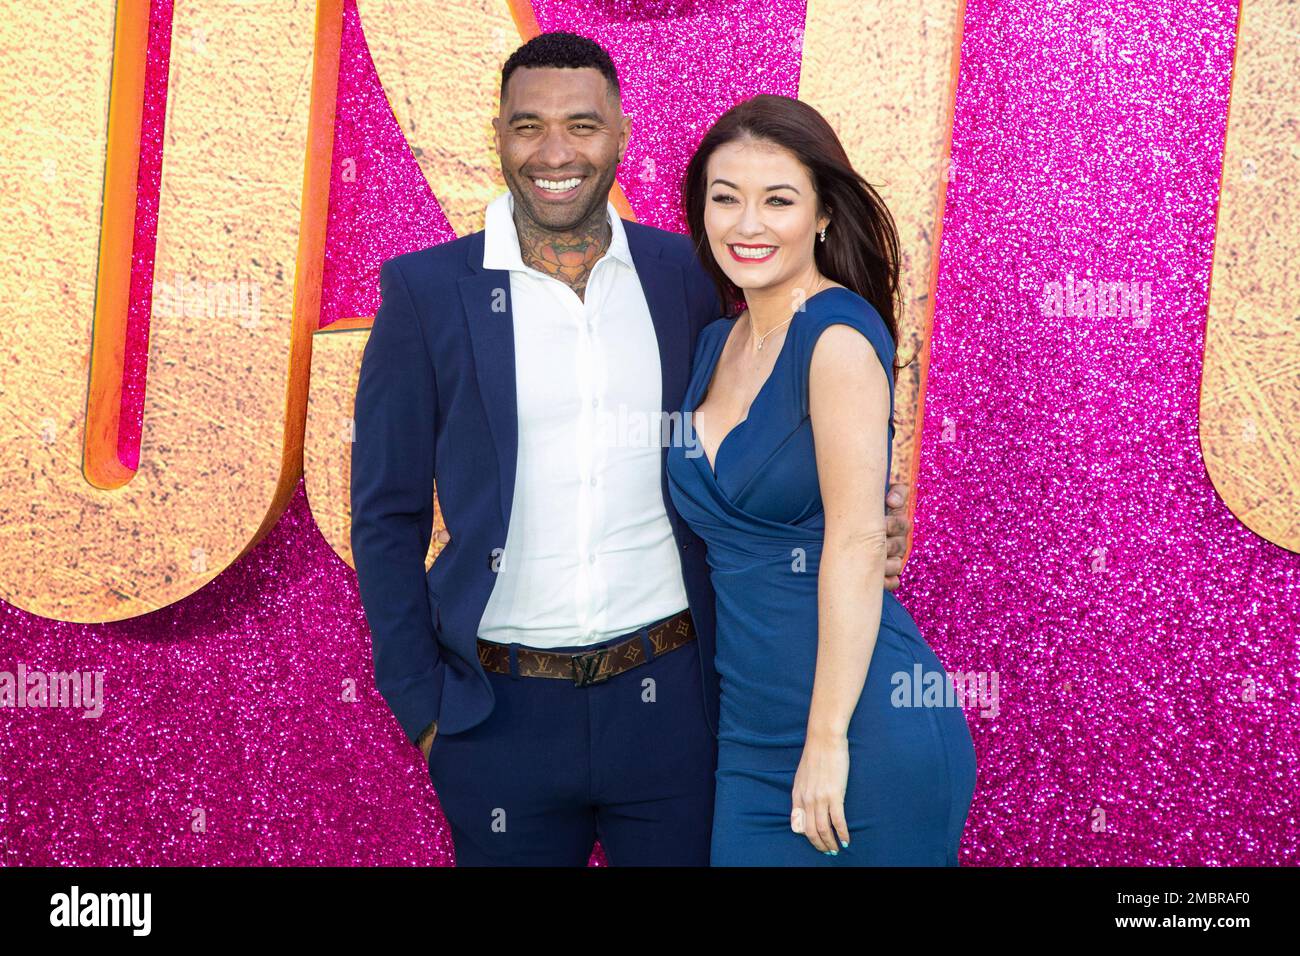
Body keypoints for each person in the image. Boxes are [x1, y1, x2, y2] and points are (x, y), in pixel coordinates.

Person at [350, 32, 915, 866]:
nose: (554, 151)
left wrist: (856, 526)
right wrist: (425, 710)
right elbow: (386, 514)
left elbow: (768, 427)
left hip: (676, 709)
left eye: (582, 125)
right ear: (497, 136)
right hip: (496, 718)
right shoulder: (427, 293)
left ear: (620, 134)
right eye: (527, 124)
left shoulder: (686, 272)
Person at [667, 94, 977, 865]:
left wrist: (827, 740)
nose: (748, 224)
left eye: (778, 200)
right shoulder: (715, 343)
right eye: (725, 197)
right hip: (748, 740)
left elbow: (855, 539)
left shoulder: (835, 335)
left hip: (858, 735)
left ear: (823, 216)